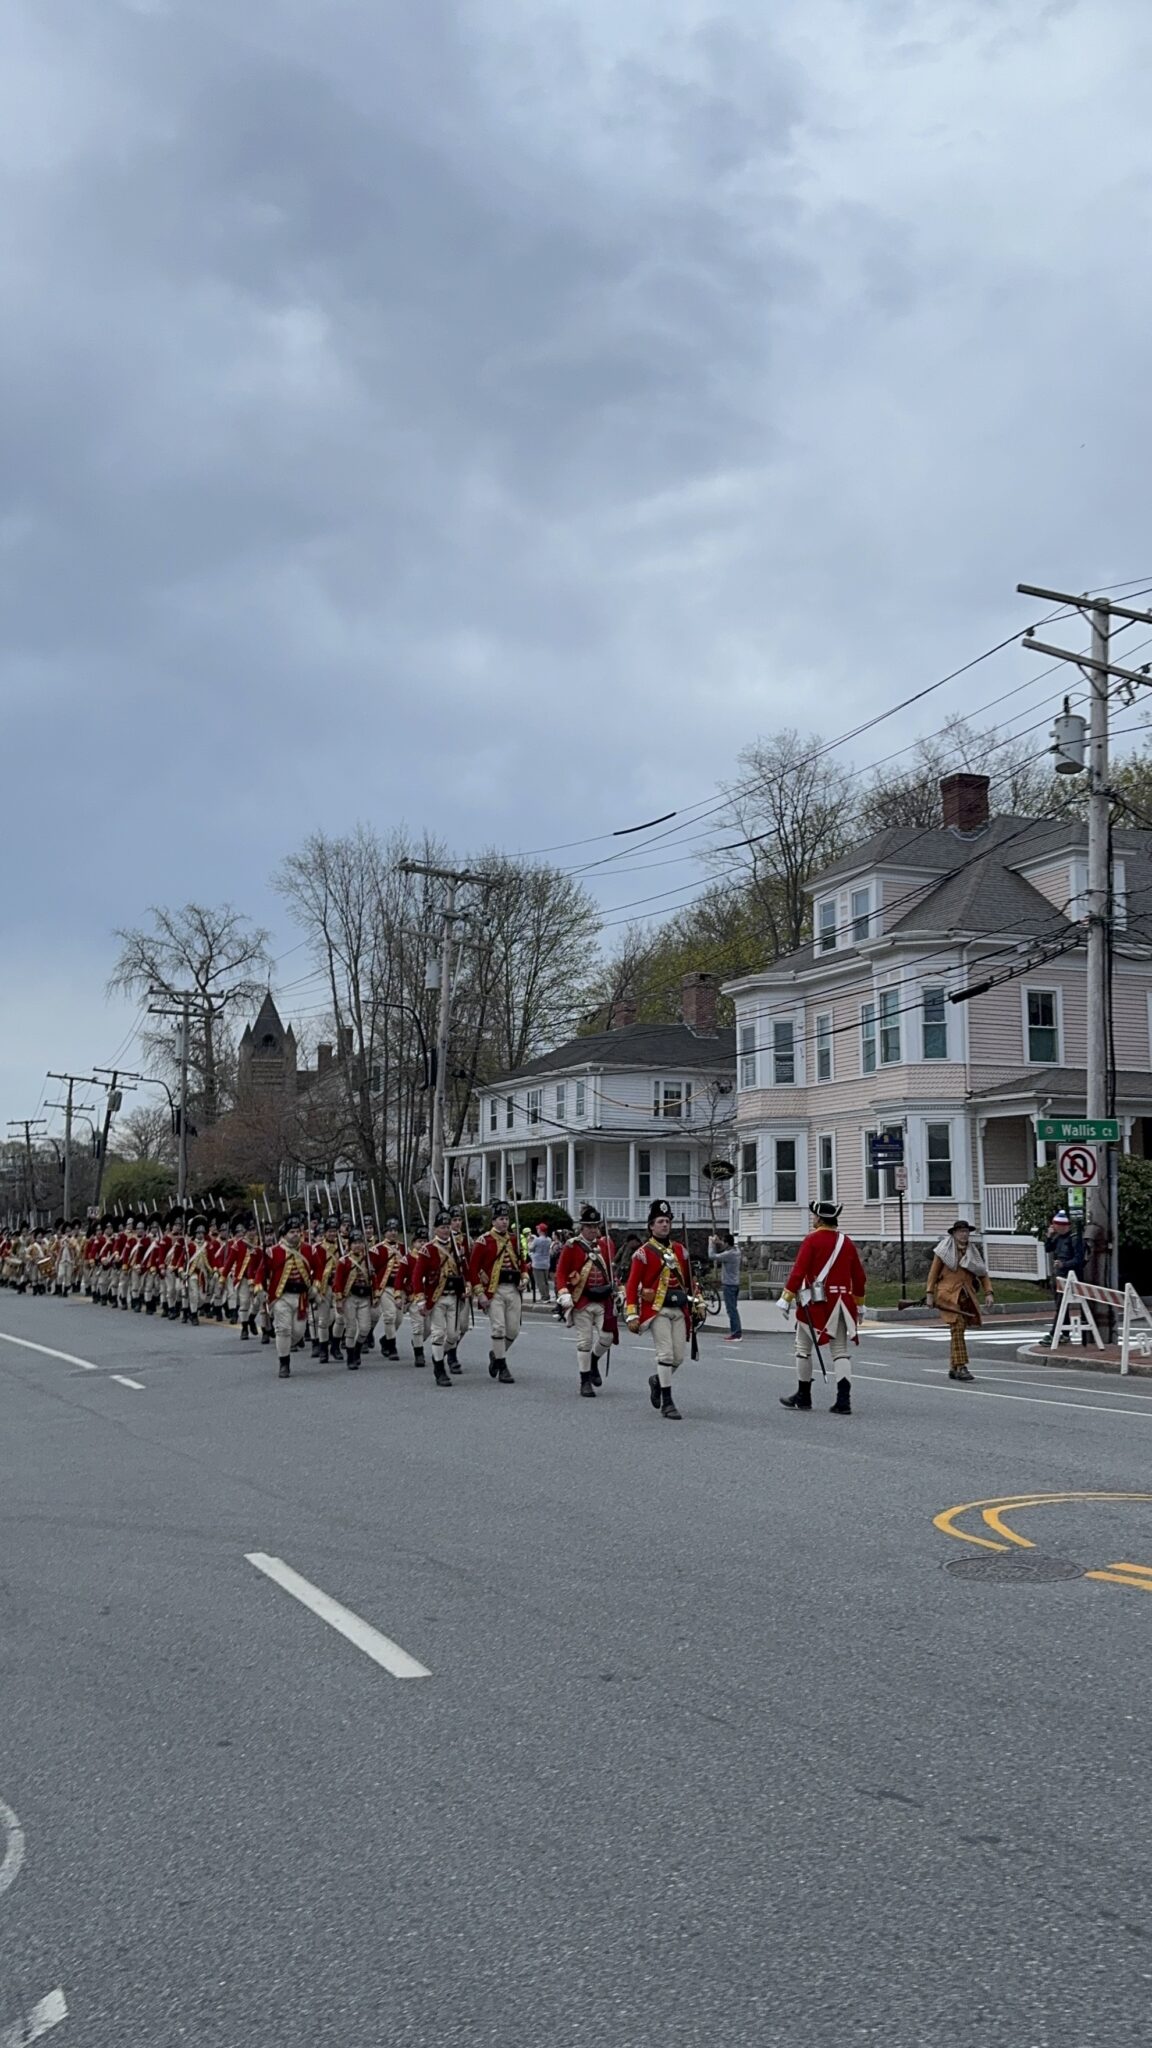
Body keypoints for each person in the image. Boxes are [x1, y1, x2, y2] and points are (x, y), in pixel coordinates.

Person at [779, 1201, 867, 1416]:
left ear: (819, 1218)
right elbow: (859, 1276)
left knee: (803, 1348)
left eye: (814, 1216)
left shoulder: (811, 1240)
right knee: (840, 1352)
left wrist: (786, 1296)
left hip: (816, 1303)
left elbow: (799, 1271)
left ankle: (804, 1396)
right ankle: (843, 1400)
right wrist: (860, 1303)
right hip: (842, 1303)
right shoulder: (846, 1242)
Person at [624, 1198, 700, 1421]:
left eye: (667, 1221)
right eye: (660, 1221)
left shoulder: (680, 1250)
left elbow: (689, 1280)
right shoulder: (643, 1253)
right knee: (665, 1354)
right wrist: (631, 1313)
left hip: (679, 1308)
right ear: (651, 1226)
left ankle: (658, 1380)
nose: (665, 1225)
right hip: (657, 1310)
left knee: (678, 1357)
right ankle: (667, 1402)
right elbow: (631, 1285)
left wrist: (698, 1302)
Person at [556, 1204, 618, 1398]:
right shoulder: (572, 1246)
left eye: (595, 1226)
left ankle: (593, 1361)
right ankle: (585, 1381)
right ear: (581, 1227)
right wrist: (564, 1292)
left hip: (603, 1299)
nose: (593, 1229)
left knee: (607, 1338)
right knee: (585, 1341)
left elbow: (610, 1271)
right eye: (589, 1226)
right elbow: (561, 1272)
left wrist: (618, 1290)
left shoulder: (605, 1246)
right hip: (582, 1299)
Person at [925, 1220, 994, 1382]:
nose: (964, 1234)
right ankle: (962, 1366)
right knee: (958, 1327)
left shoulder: (973, 1252)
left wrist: (989, 1292)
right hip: (948, 1296)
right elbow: (933, 1274)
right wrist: (929, 1293)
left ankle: (953, 1367)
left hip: (966, 1296)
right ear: (954, 1234)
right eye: (961, 1231)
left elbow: (982, 1273)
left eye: (966, 1231)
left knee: (958, 1331)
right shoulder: (943, 1251)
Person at [468, 1202, 528, 1382]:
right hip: (494, 1290)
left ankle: (496, 1354)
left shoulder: (514, 1240)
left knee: (513, 1330)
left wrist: (524, 1278)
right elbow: (473, 1269)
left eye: (506, 1219)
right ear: (493, 1221)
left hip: (513, 1288)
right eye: (501, 1219)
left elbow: (522, 1263)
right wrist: (480, 1293)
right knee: (499, 1327)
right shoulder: (483, 1241)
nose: (504, 1222)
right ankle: (502, 1366)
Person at [417, 1211, 470, 1387]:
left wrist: (467, 1286)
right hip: (436, 1298)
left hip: (454, 1296)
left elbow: (464, 1270)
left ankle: (438, 1355)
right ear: (435, 1229)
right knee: (438, 1334)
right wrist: (420, 1300)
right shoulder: (428, 1249)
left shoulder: (457, 1248)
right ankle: (439, 1368)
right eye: (442, 1227)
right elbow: (417, 1276)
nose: (446, 1230)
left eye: (448, 1227)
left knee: (453, 1336)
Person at [264, 1218, 312, 1378]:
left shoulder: (308, 1249)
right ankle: (284, 1363)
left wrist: (316, 1285)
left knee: (298, 1332)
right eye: (292, 1232)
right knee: (283, 1330)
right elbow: (262, 1272)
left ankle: (284, 1345)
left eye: (298, 1231)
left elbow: (319, 1267)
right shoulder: (273, 1252)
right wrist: (259, 1288)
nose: (296, 1234)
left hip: (301, 1298)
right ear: (284, 1234)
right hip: (281, 1297)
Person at [710, 1229, 743, 1341]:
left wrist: (711, 1243)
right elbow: (726, 1246)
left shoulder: (729, 1255)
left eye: (723, 1242)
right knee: (734, 1309)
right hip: (735, 1284)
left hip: (729, 1285)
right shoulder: (736, 1251)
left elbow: (712, 1256)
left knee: (731, 1310)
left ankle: (736, 1333)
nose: (722, 1244)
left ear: (727, 1243)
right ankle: (736, 1332)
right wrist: (718, 1242)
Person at [528, 1223, 553, 1301]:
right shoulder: (549, 1239)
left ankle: (544, 1297)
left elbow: (531, 1249)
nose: (537, 1230)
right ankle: (547, 1295)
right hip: (546, 1262)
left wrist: (529, 1241)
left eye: (538, 1229)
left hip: (537, 1263)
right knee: (545, 1281)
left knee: (540, 1282)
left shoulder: (537, 1240)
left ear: (541, 1230)